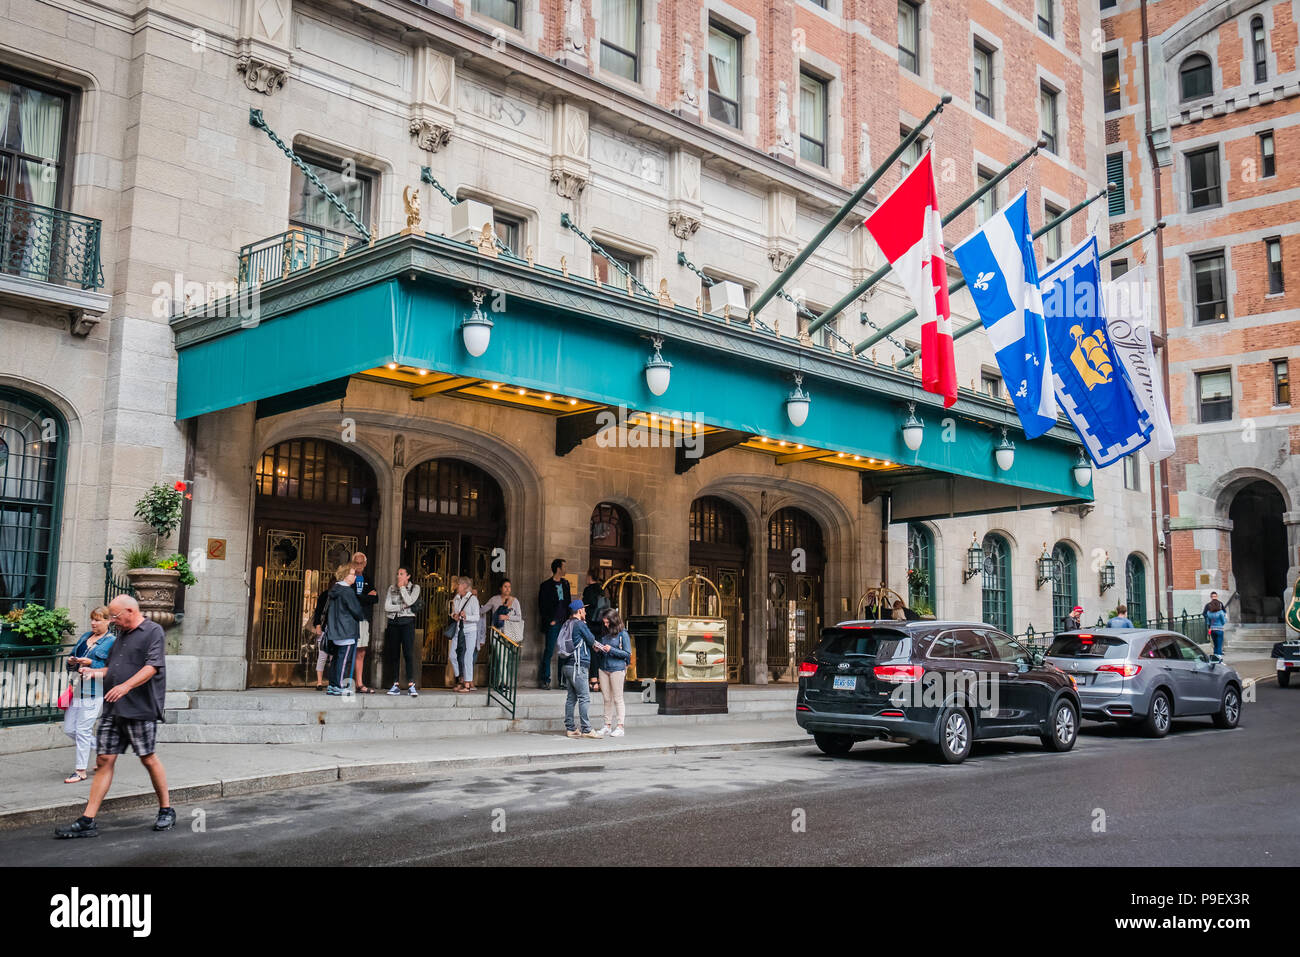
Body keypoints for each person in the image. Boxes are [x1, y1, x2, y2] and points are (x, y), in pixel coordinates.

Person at [55, 596, 173, 838]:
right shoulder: (120, 635)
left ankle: (166, 809)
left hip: (140, 708)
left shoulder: (153, 631)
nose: (112, 621)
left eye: (115, 616)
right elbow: (113, 669)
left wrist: (126, 686)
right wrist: (94, 671)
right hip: (113, 707)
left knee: (148, 758)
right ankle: (88, 820)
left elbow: (152, 667)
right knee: (103, 761)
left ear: (130, 611)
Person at [61, 606, 116, 784]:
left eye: (98, 619)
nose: (93, 623)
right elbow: (72, 660)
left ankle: (80, 770)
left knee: (83, 729)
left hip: (95, 690)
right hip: (78, 688)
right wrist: (71, 661)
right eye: (92, 619)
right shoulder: (85, 637)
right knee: (70, 728)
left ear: (108, 621)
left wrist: (92, 662)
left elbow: (113, 669)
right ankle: (104, 750)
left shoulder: (112, 641)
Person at [557, 599, 602, 738]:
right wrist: (585, 626)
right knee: (584, 697)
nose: (586, 612)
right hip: (578, 666)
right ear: (580, 611)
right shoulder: (579, 624)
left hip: (568, 666)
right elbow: (590, 639)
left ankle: (570, 728)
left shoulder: (567, 623)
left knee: (571, 698)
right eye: (584, 609)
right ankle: (587, 729)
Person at [325, 564, 366, 695]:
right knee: (344, 659)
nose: (355, 577)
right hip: (347, 629)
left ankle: (332, 684)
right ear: (345, 575)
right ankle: (339, 685)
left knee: (336, 658)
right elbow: (357, 610)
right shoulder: (347, 591)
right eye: (353, 574)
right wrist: (361, 615)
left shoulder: (335, 589)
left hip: (336, 629)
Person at [384, 567, 421, 697]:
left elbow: (410, 601)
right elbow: (387, 606)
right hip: (393, 623)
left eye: (401, 574)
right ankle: (395, 684)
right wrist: (400, 607)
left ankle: (411, 683)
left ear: (408, 576)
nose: (398, 576)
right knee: (394, 654)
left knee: (408, 653)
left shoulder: (415, 588)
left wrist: (402, 589)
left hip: (407, 623)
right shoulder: (391, 588)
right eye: (397, 573)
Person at [595, 610, 632, 737]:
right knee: (606, 698)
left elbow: (627, 654)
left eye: (607, 622)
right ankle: (607, 725)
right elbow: (604, 647)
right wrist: (599, 648)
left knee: (618, 698)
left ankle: (620, 726)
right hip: (604, 667)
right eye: (604, 622)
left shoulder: (623, 634)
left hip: (617, 668)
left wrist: (611, 649)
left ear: (613, 621)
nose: (605, 625)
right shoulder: (605, 632)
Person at [536, 558, 571, 689]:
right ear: (558, 569)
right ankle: (545, 679)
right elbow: (542, 605)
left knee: (563, 651)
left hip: (564, 623)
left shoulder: (566, 584)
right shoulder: (546, 585)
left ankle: (562, 681)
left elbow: (567, 602)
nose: (565, 570)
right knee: (549, 650)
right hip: (553, 623)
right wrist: (549, 620)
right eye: (564, 567)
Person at [351, 552, 379, 693]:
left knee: (361, 651)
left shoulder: (368, 579)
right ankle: (345, 682)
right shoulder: (349, 578)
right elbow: (350, 597)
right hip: (350, 619)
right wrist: (364, 597)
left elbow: (375, 598)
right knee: (348, 650)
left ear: (365, 564)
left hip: (364, 619)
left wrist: (361, 597)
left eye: (361, 563)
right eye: (356, 563)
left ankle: (359, 683)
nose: (359, 566)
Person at [449, 576, 481, 692]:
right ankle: (460, 678)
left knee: (468, 656)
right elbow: (453, 613)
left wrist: (467, 616)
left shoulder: (473, 599)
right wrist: (454, 616)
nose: (457, 586)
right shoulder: (456, 598)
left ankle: (467, 684)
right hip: (459, 629)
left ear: (464, 586)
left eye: (459, 584)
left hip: (470, 630)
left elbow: (477, 617)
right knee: (452, 655)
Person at [481, 579, 524, 646]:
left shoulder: (515, 601)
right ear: (500, 588)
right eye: (505, 586)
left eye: (509, 587)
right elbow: (482, 610)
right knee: (498, 654)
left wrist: (507, 617)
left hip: (510, 633)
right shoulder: (494, 599)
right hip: (497, 632)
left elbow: (519, 618)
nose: (507, 589)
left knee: (508, 654)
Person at [310, 584, 332, 690]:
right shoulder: (325, 595)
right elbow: (318, 611)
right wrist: (318, 625)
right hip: (325, 629)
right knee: (322, 656)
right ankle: (319, 682)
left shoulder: (341, 595)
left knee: (333, 658)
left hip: (336, 630)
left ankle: (332, 681)